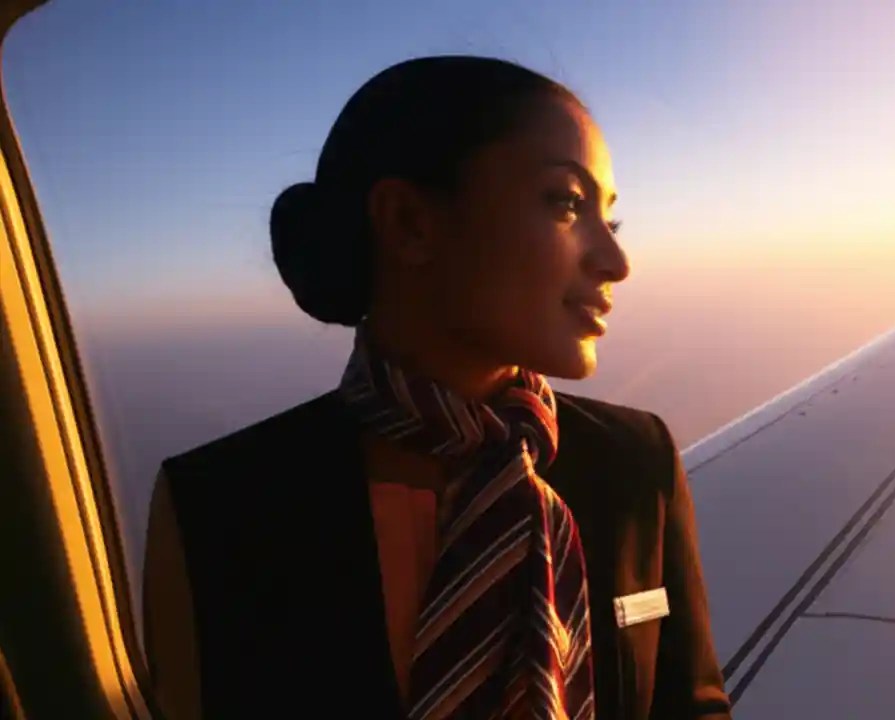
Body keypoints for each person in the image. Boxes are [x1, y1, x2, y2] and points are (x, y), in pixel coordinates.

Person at [142, 56, 732, 720]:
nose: (616, 261)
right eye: (567, 203)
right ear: (410, 224)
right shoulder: (220, 510)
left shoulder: (637, 464)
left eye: (611, 220)